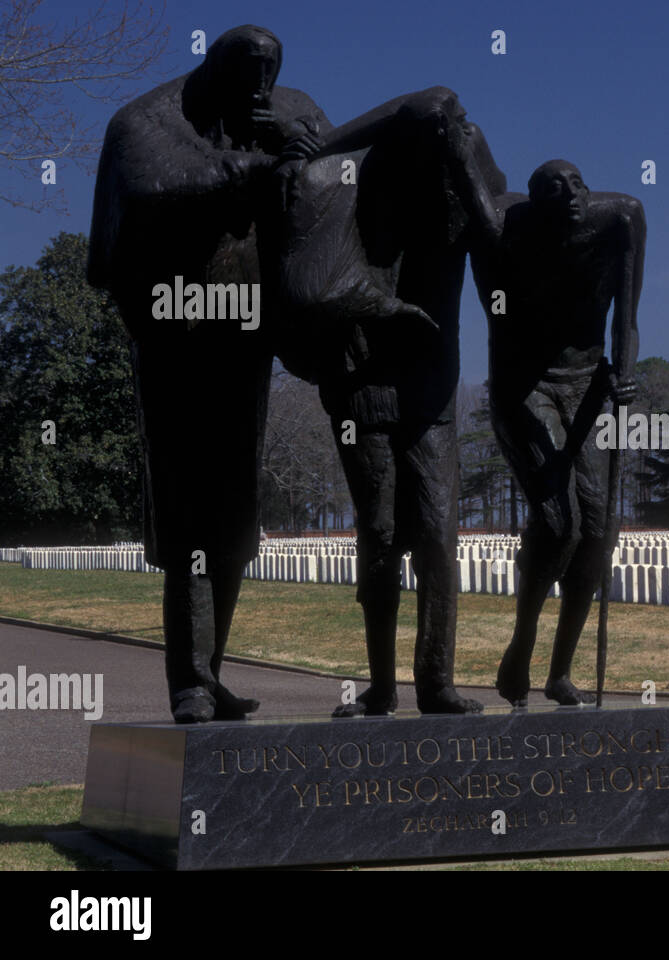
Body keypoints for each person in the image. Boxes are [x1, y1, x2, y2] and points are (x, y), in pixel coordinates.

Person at [88, 25, 328, 723]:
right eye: (244, 78)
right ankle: (190, 680)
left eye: (269, 77)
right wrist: (260, 168)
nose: (258, 94)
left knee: (233, 520)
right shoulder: (147, 119)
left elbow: (338, 183)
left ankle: (210, 673)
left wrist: (300, 149)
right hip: (174, 332)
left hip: (245, 334)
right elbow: (153, 186)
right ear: (214, 69)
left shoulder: (290, 109)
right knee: (189, 513)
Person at [272, 88, 506, 716]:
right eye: (448, 132)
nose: (455, 130)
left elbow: (500, 252)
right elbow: (302, 290)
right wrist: (385, 307)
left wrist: (464, 165)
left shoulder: (463, 199)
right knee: (378, 535)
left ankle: (436, 680)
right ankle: (381, 685)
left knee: (438, 534)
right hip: (363, 384)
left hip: (430, 389)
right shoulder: (337, 184)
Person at [459, 155, 645, 706]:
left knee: (598, 532)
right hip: (527, 384)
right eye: (554, 188)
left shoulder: (623, 218)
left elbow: (626, 320)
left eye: (577, 182)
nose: (571, 193)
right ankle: (522, 642)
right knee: (557, 521)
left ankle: (560, 671)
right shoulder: (508, 233)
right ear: (534, 204)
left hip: (590, 382)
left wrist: (626, 374)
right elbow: (496, 316)